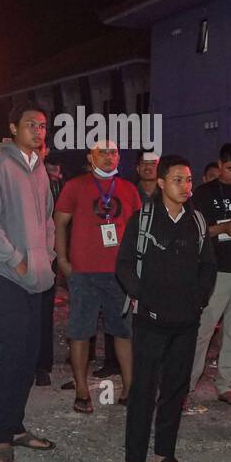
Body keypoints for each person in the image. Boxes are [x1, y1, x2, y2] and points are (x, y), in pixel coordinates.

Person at [113, 155, 217, 462]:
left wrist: (198, 300)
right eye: (177, 180)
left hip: (186, 322)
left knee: (175, 390)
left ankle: (164, 456)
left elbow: (208, 268)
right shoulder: (143, 219)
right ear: (161, 182)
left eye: (188, 180)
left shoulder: (197, 221)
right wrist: (142, 293)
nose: (186, 186)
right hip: (151, 322)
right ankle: (132, 460)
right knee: (143, 391)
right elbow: (125, 264)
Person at [0, 101, 58, 462]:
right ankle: (0, 438)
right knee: (12, 353)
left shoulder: (39, 170)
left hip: (34, 276)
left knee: (29, 353)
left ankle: (17, 426)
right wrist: (15, 258)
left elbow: (49, 217)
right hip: (0, 274)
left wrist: (48, 254)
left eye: (42, 126)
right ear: (13, 128)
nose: (38, 132)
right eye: (30, 125)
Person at [54, 139, 141, 413]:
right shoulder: (75, 186)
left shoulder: (128, 189)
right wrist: (63, 260)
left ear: (119, 158)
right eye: (102, 152)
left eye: (113, 152)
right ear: (90, 157)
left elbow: (139, 230)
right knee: (81, 333)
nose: (108, 157)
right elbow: (59, 222)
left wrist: (137, 269)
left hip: (120, 274)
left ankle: (130, 388)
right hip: (84, 273)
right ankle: (82, 390)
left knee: (123, 332)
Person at [188, 142, 231, 407]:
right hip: (215, 271)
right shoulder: (203, 193)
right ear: (219, 165)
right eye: (229, 169)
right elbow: (195, 232)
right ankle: (186, 384)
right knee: (202, 330)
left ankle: (225, 384)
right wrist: (224, 227)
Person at [36, 140, 63, 387]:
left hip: (47, 255)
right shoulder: (10, 176)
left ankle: (42, 366)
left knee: (44, 312)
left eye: (41, 147)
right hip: (19, 255)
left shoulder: (55, 183)